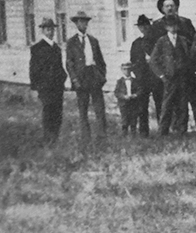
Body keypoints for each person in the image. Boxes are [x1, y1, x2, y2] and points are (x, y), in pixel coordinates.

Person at [65, 10, 107, 140]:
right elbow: (69, 63)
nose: (84, 24)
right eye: (81, 22)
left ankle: (101, 135)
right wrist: (75, 79)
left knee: (99, 107)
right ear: (76, 24)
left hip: (93, 75)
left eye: (85, 22)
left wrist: (102, 75)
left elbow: (100, 60)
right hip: (81, 77)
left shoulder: (93, 40)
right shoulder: (71, 42)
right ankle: (85, 136)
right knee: (83, 108)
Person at [150, 15, 194, 135]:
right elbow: (153, 60)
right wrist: (162, 76)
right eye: (170, 25)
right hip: (169, 78)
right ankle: (163, 131)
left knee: (183, 104)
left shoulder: (184, 40)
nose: (173, 28)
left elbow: (190, 57)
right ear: (166, 27)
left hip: (182, 77)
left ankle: (182, 130)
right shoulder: (161, 41)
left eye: (175, 25)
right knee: (167, 105)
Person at [29, 17, 67, 145]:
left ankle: (55, 138)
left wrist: (63, 78)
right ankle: (48, 140)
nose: (50, 32)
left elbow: (60, 67)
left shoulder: (56, 48)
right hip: (45, 88)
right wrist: (35, 88)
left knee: (58, 113)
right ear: (43, 31)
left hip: (57, 87)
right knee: (48, 113)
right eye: (47, 29)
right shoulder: (37, 48)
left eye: (51, 29)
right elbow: (33, 70)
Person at [130, 15, 160, 126]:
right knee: (142, 106)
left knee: (160, 104)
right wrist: (138, 74)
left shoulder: (156, 41)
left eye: (146, 26)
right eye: (141, 26)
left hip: (156, 77)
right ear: (139, 28)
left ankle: (162, 130)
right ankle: (143, 132)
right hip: (142, 79)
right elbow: (133, 61)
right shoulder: (136, 43)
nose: (144, 28)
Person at [114, 62, 144, 135]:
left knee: (133, 118)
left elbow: (140, 90)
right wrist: (123, 96)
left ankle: (133, 134)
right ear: (122, 70)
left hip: (133, 102)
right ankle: (124, 134)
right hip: (124, 103)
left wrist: (135, 95)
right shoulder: (120, 81)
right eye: (124, 69)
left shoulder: (135, 80)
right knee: (125, 119)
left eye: (128, 69)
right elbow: (116, 92)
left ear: (131, 70)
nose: (126, 71)